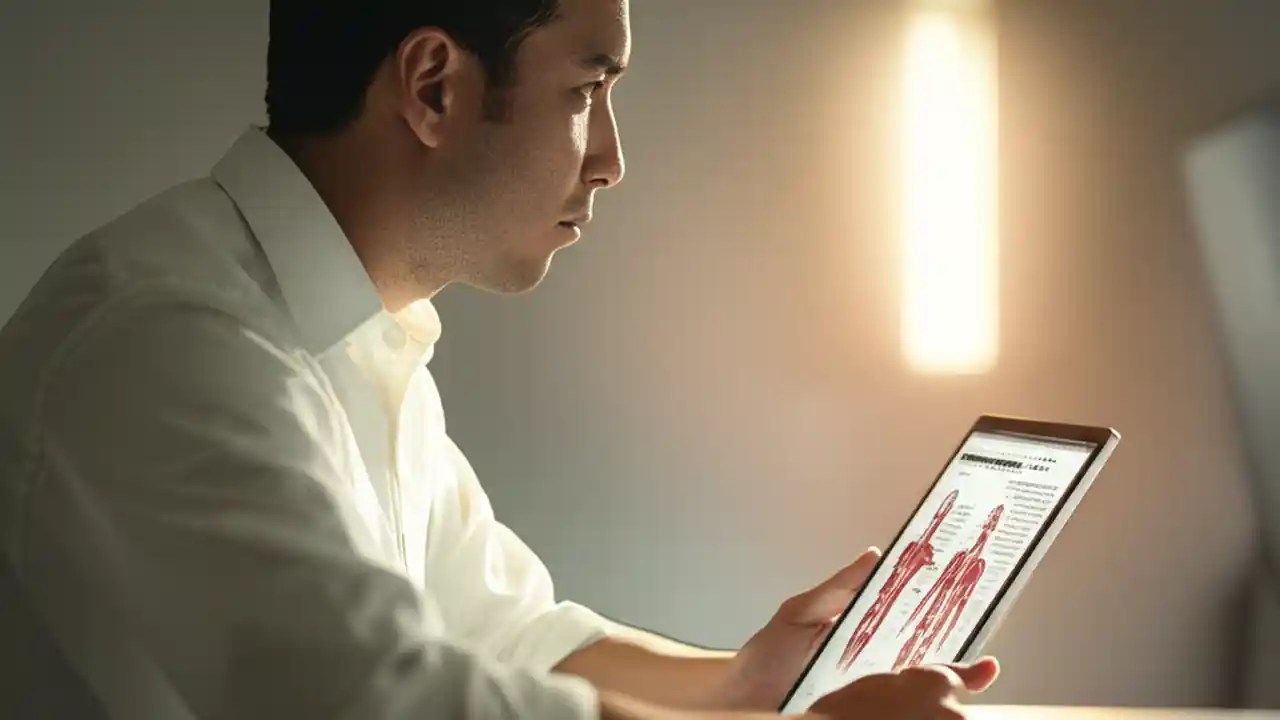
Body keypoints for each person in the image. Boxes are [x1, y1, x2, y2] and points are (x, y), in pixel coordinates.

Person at [0, 1, 1000, 717]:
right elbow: (377, 698)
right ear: (433, 87)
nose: (610, 160)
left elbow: (503, 635)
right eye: (587, 90)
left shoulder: (352, 338)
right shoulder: (171, 339)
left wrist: (747, 681)